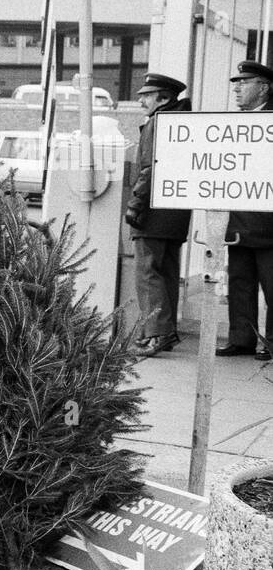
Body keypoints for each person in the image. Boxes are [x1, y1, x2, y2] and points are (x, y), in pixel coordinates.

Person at [124, 73, 192, 358]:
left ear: (163, 98)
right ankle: (161, 331)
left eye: (147, 95)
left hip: (153, 211)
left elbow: (149, 168)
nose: (141, 100)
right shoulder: (182, 122)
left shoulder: (157, 123)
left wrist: (135, 205)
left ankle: (157, 334)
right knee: (166, 273)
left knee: (148, 273)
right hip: (175, 213)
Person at [217, 60, 273, 361]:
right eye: (236, 83)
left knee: (272, 286)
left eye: (245, 82)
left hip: (268, 220)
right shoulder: (234, 123)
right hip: (239, 217)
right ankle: (242, 338)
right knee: (240, 283)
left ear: (263, 87)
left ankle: (272, 342)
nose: (237, 88)